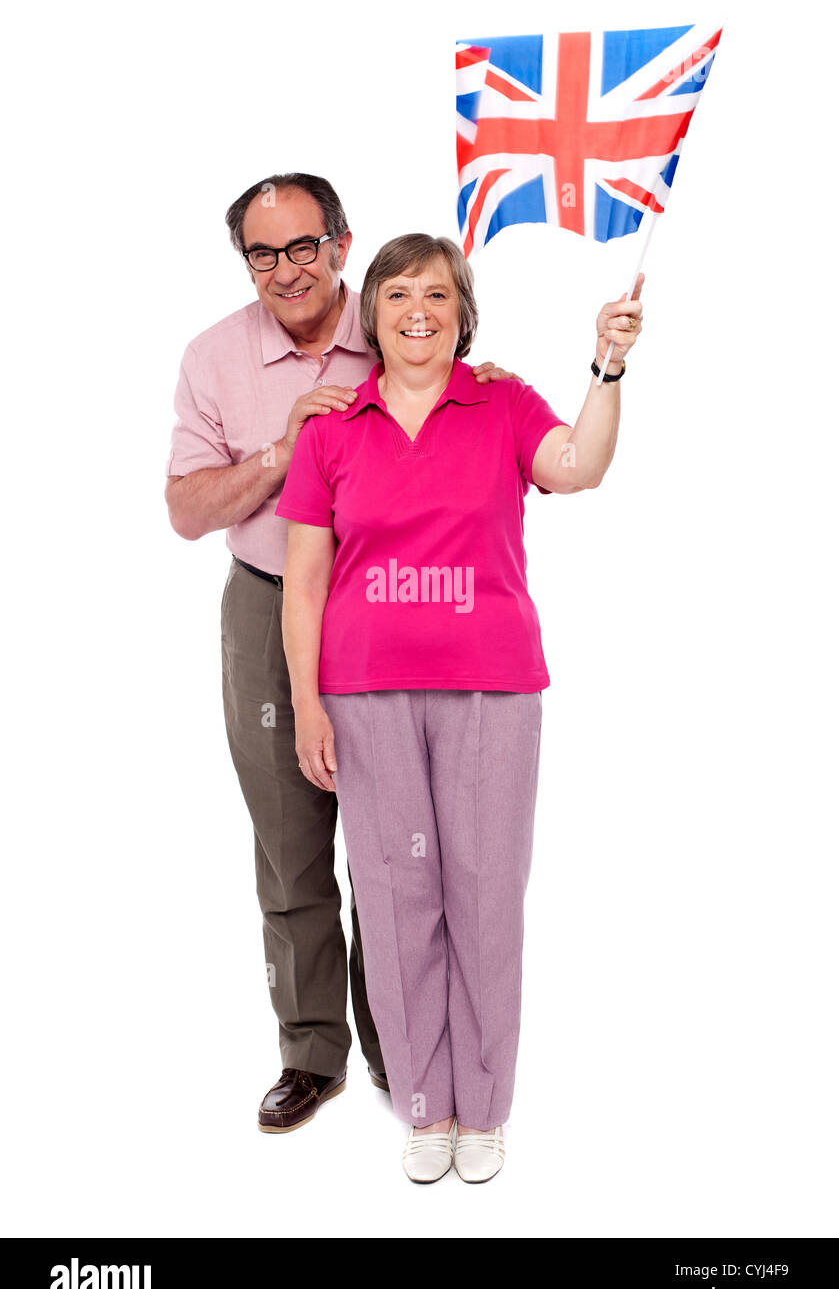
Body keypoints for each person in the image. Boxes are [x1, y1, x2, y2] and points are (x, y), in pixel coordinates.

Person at [276, 232, 643, 1179]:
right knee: (398, 905)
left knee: (483, 897)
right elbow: (304, 583)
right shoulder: (330, 429)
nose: (416, 312)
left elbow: (578, 466)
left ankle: (484, 1107)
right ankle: (424, 1107)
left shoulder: (504, 403)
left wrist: (605, 366)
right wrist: (308, 705)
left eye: (436, 295)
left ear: (460, 311)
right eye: (398, 295)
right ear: (376, 316)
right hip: (365, 694)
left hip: (491, 687)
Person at [164, 175, 518, 1134]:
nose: (288, 269)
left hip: (391, 628)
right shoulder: (216, 356)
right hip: (270, 604)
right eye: (263, 253)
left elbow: (486, 417)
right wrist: (282, 451)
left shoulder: (401, 319)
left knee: (402, 855)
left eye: (305, 246)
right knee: (290, 847)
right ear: (246, 262)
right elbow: (186, 511)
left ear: (343, 243)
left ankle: (396, 1048)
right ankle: (312, 1050)